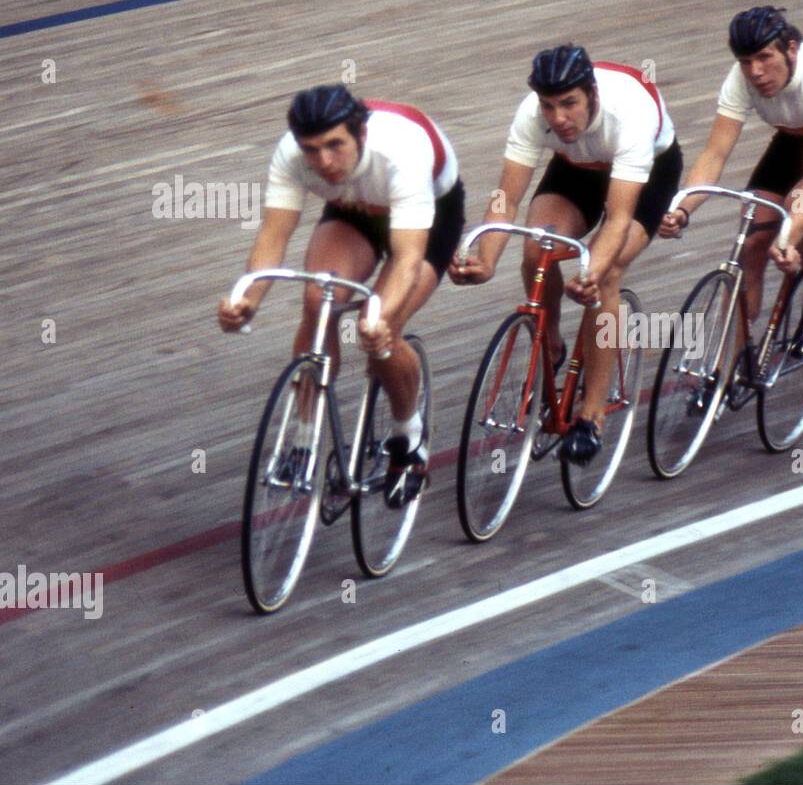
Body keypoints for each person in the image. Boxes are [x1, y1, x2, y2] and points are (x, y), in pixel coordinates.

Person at [217, 84, 465, 504]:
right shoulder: (292, 156)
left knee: (382, 330)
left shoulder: (400, 153)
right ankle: (303, 438)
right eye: (311, 150)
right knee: (318, 299)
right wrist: (247, 302)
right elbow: (273, 237)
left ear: (361, 135)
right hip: (353, 211)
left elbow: (407, 259)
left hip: (426, 220)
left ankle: (409, 437)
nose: (324, 162)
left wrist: (377, 318)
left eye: (335, 146)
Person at [449, 45, 682, 465]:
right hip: (576, 170)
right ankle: (552, 342)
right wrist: (485, 258)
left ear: (591, 93)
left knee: (604, 275)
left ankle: (591, 415)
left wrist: (591, 269)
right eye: (549, 106)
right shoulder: (532, 115)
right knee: (537, 246)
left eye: (569, 104)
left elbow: (617, 219)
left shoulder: (628, 114)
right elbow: (506, 198)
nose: (558, 118)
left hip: (644, 178)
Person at [659, 6, 803, 358]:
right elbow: (714, 155)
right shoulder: (741, 79)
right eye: (746, 61)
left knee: (801, 208)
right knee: (752, 241)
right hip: (794, 137)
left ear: (792, 49)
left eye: (765, 58)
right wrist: (682, 208)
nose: (756, 72)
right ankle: (731, 361)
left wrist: (788, 238)